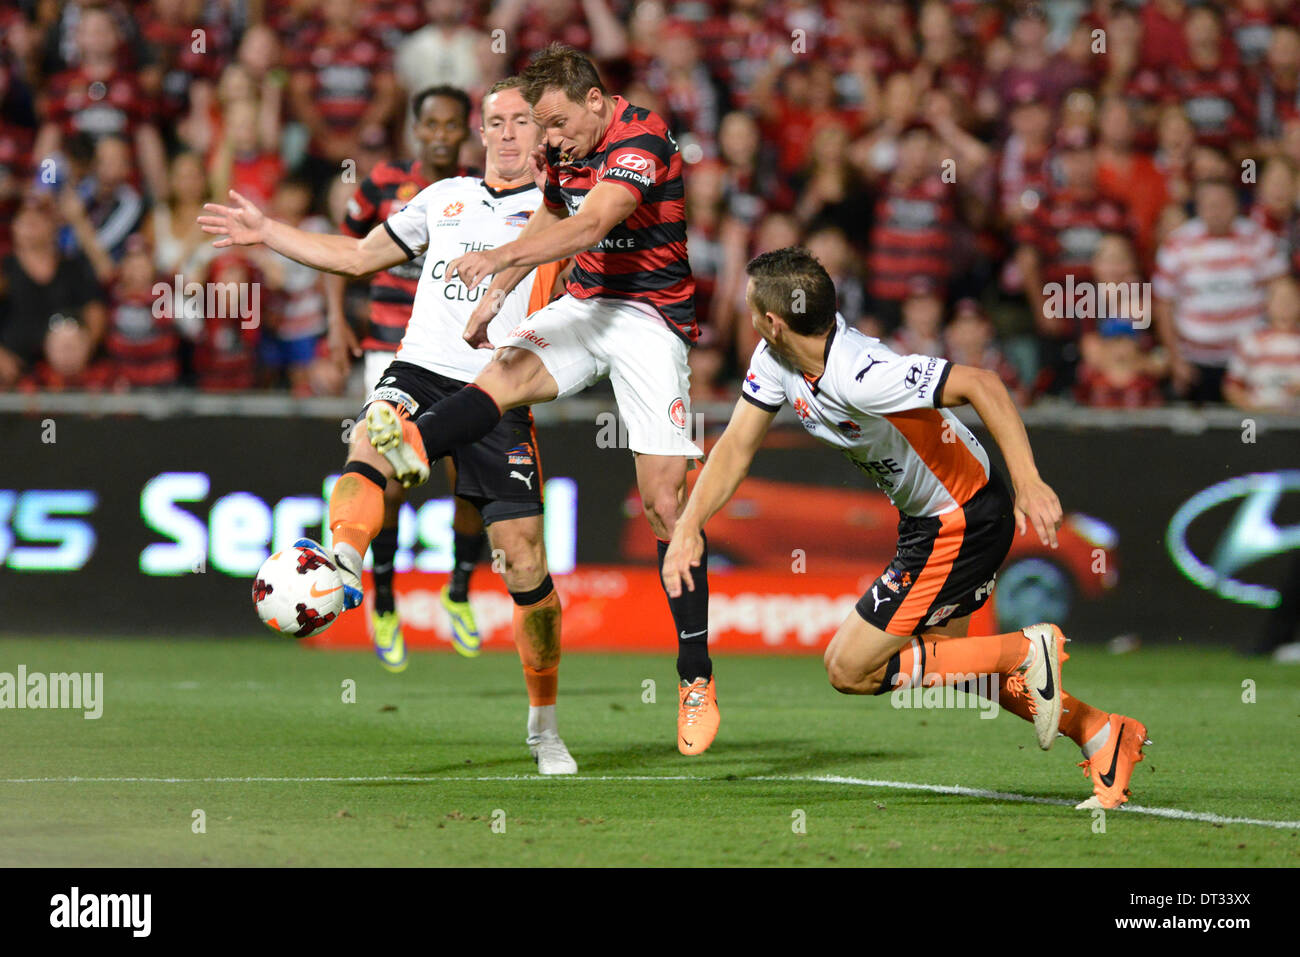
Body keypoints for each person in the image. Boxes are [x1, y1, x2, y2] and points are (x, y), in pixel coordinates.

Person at [316, 44, 720, 757]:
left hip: (649, 319)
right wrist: (499, 296)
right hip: (587, 303)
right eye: (544, 126)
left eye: (558, 123)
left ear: (596, 101)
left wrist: (498, 262)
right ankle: (408, 445)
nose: (551, 138)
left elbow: (592, 223)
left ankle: (695, 676)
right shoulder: (565, 147)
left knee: (664, 501)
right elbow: (549, 222)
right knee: (501, 373)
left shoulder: (643, 137)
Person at [662, 247, 1149, 809]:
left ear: (773, 321)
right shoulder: (777, 361)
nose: (744, 314)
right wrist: (691, 524)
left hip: (958, 520)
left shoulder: (860, 373)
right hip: (935, 518)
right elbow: (735, 449)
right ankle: (1103, 733)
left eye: (749, 306)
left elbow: (984, 384)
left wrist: (1031, 481)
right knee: (952, 666)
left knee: (850, 668)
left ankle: (1023, 650)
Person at [199, 78, 576, 774]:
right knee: (373, 432)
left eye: (524, 121)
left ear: (541, 132)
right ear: (481, 133)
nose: (509, 133)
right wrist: (267, 232)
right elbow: (356, 256)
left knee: (525, 562)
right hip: (423, 366)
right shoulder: (442, 198)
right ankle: (345, 558)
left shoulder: (562, 210)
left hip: (499, 388)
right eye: (497, 122)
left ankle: (543, 723)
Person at [326, 85, 490, 666]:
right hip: (386, 345)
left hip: (454, 349)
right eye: (432, 124)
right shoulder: (382, 181)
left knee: (468, 481)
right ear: (416, 129)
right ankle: (386, 602)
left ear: (466, 131)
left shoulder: (477, 189)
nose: (443, 134)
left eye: (453, 125)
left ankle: (461, 590)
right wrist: (335, 319)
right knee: (387, 480)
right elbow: (346, 248)